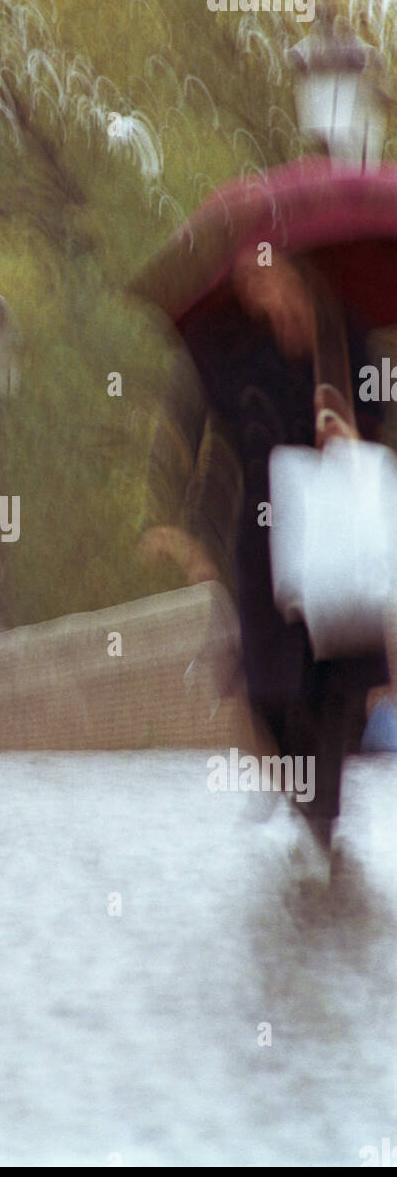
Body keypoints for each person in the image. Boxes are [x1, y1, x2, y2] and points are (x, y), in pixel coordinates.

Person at [143, 249, 387, 848]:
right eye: (247, 280)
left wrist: (351, 432)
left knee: (338, 690)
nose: (255, 291)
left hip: (336, 543)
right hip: (266, 543)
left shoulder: (346, 337)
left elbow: (384, 413)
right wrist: (183, 529)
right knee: (270, 692)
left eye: (266, 275)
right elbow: (191, 425)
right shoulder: (231, 347)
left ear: (297, 272)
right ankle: (306, 792)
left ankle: (322, 817)